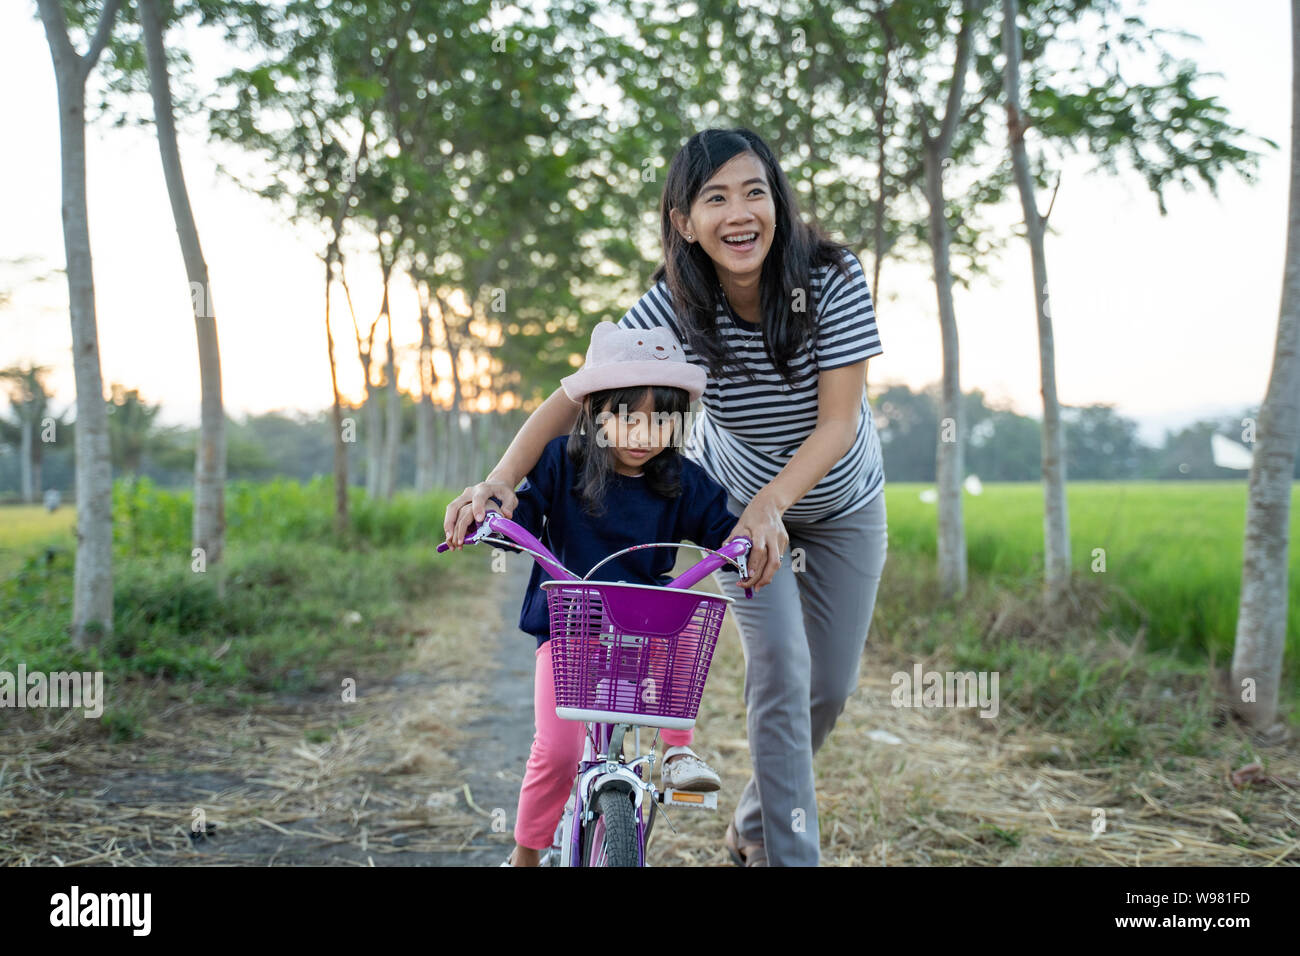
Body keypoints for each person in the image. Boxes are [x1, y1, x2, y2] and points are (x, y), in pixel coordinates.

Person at [446, 127, 889, 866]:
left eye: (754, 191)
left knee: (829, 688)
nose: (738, 212)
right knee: (781, 666)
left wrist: (775, 506)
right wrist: (498, 480)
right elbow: (573, 394)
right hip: (736, 507)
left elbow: (838, 422)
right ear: (684, 222)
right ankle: (786, 855)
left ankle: (752, 819)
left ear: (777, 199)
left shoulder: (830, 277)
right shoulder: (675, 303)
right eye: (714, 198)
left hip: (840, 503)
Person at [447, 320, 746, 867]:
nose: (642, 434)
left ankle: (677, 755)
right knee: (558, 752)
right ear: (595, 413)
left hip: (644, 628)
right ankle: (526, 853)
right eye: (625, 417)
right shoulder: (563, 462)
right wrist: (495, 518)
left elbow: (721, 529)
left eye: (660, 420)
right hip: (569, 629)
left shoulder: (681, 478)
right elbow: (526, 516)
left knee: (677, 656)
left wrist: (745, 544)